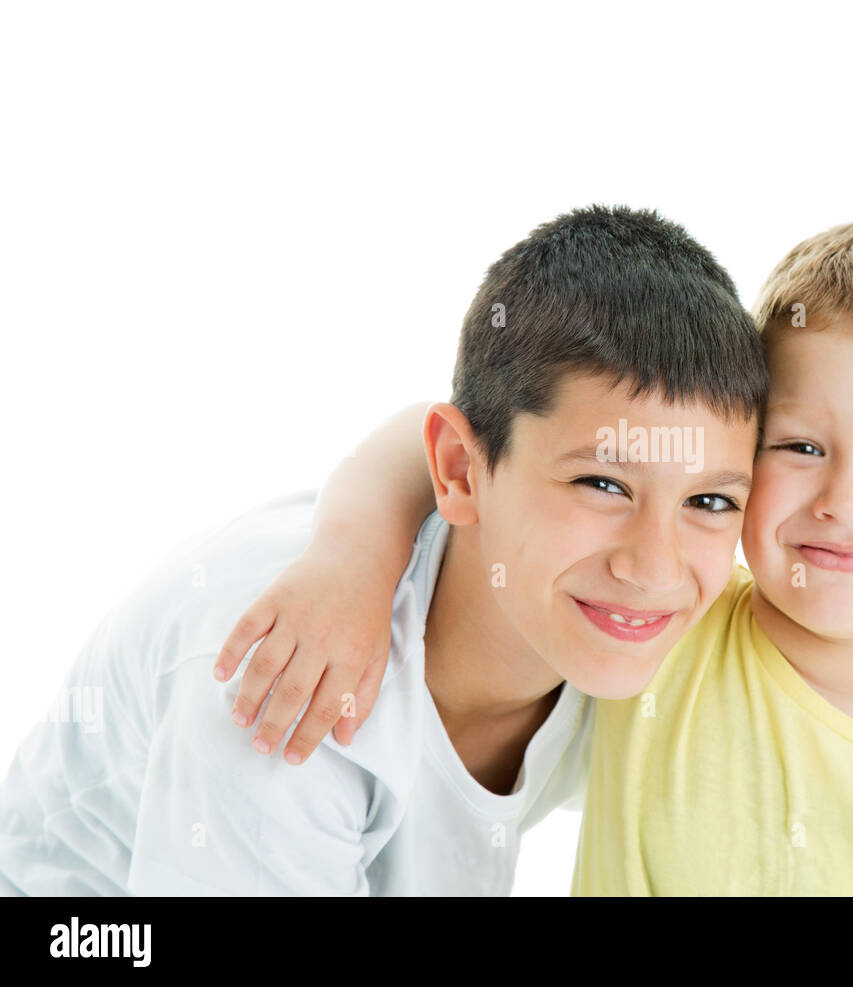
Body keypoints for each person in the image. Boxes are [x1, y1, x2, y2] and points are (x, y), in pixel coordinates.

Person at [224, 216, 853, 895]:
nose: (846, 500)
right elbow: (461, 441)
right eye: (799, 446)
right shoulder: (667, 617)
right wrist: (351, 557)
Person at [0, 204, 766, 895]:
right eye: (602, 484)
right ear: (461, 472)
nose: (657, 566)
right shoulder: (285, 693)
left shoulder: (627, 627)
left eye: (709, 500)